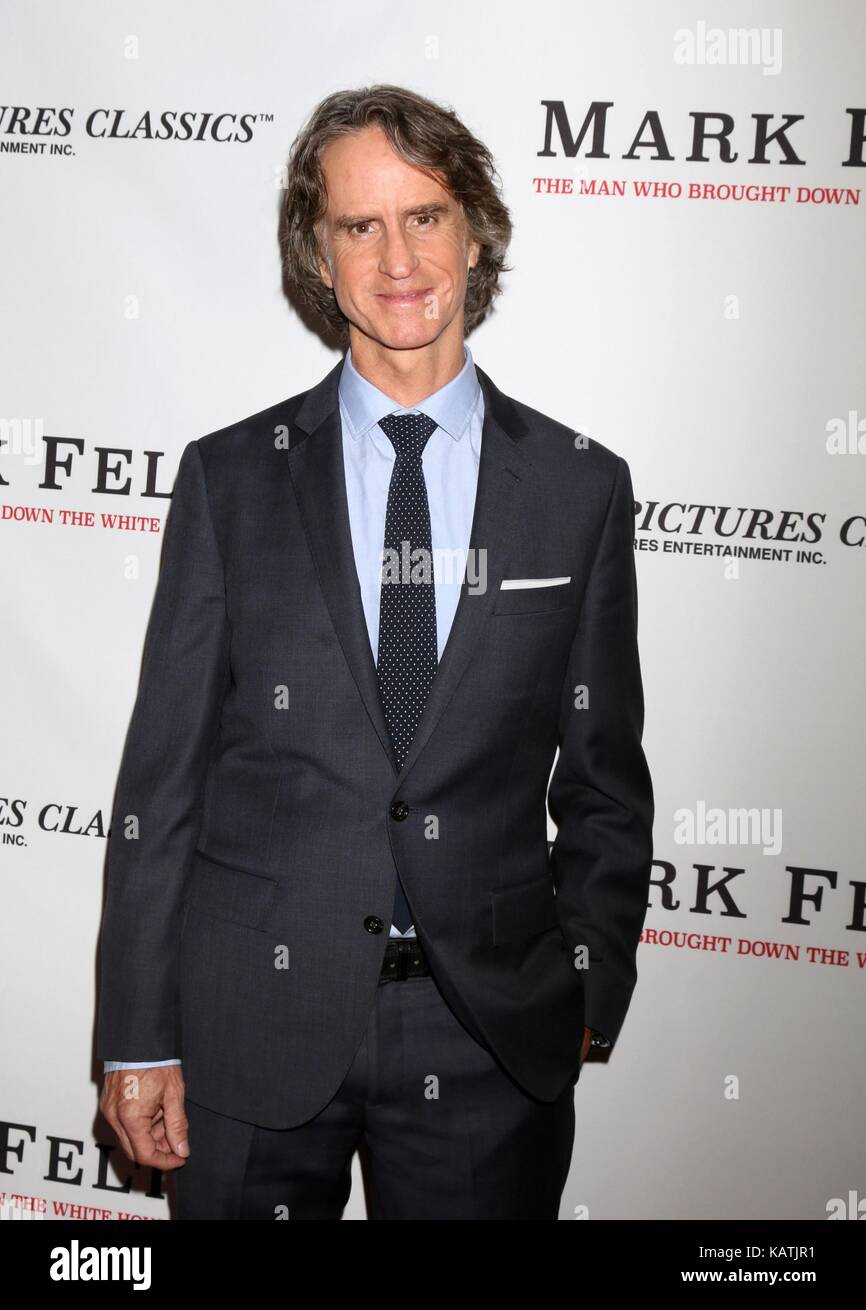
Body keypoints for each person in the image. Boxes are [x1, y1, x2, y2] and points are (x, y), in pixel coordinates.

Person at [97, 84, 654, 1220]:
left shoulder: (576, 489)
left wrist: (585, 981)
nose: (396, 257)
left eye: (425, 215)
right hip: (248, 1026)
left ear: (475, 232)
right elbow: (164, 782)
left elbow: (604, 779)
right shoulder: (229, 480)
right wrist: (137, 1032)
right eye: (359, 225)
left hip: (487, 1033)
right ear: (319, 255)